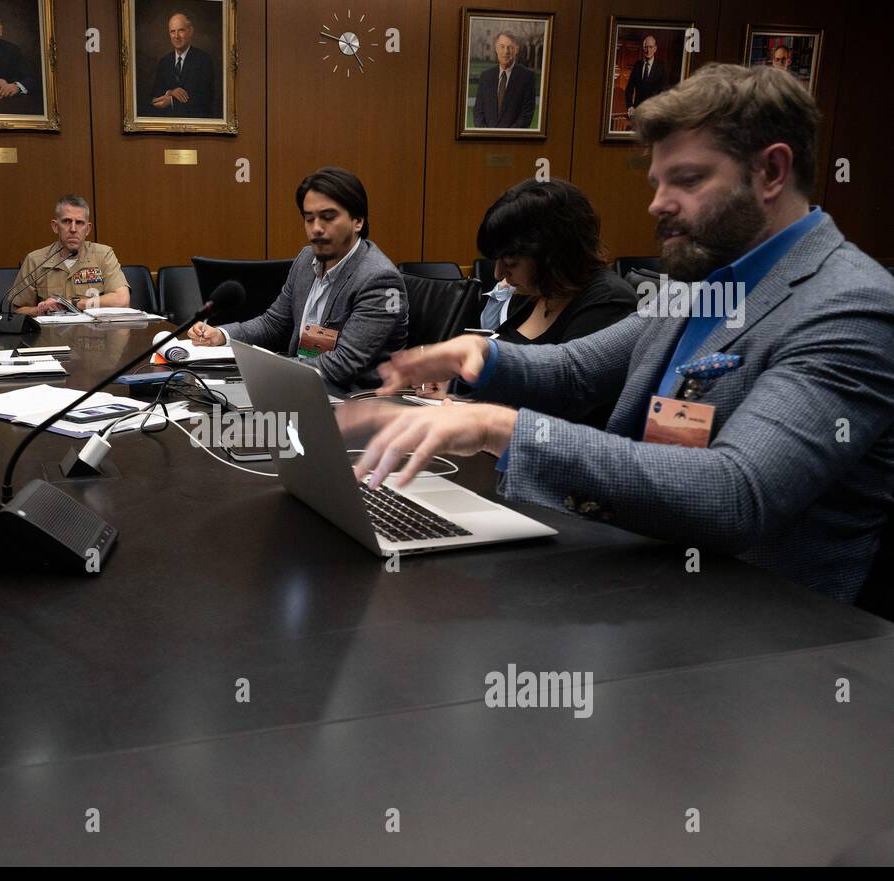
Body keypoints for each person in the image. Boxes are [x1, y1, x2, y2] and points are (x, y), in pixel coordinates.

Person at [339, 64, 894, 605]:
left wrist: (495, 425)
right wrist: (482, 353)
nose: (657, 203)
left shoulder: (849, 306)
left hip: (759, 636)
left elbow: (736, 491)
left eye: (688, 179)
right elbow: (580, 369)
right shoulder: (708, 280)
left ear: (772, 172)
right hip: (644, 576)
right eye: (657, 182)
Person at [190, 167, 408, 393]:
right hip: (303, 384)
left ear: (358, 221)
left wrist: (264, 372)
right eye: (309, 218)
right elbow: (273, 324)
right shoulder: (307, 259)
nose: (316, 229)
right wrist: (222, 335)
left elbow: (342, 365)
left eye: (328, 217)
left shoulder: (379, 279)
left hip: (354, 400)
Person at [477, 178, 636, 348]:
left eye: (511, 263)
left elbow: (569, 373)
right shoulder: (533, 292)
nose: (498, 274)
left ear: (552, 255)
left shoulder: (608, 303)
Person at [11, 195, 130, 316]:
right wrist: (40, 310)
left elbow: (122, 300)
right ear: (55, 226)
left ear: (87, 229)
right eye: (67, 221)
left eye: (79, 222)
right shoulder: (35, 260)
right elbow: (16, 311)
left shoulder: (103, 255)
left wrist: (72, 304)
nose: (73, 229)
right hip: (51, 333)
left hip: (94, 333)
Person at [150, 13, 216, 117]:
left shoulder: (204, 60)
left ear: (190, 32)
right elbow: (153, 98)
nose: (176, 36)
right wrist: (170, 92)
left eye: (181, 30)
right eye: (172, 31)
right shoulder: (164, 62)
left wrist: (171, 101)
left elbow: (205, 101)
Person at [472, 31, 536, 128]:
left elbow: (526, 116)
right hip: (486, 140)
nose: (506, 51)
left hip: (511, 141)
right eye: (502, 46)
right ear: (496, 49)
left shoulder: (527, 77)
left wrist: (505, 136)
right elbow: (478, 111)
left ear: (516, 50)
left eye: (510, 47)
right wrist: (485, 134)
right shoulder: (486, 76)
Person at [624, 35, 667, 120]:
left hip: (654, 113)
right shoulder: (637, 65)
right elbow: (629, 89)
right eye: (646, 47)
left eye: (651, 47)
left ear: (655, 48)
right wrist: (630, 107)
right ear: (643, 48)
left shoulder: (661, 66)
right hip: (637, 112)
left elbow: (664, 91)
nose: (648, 50)